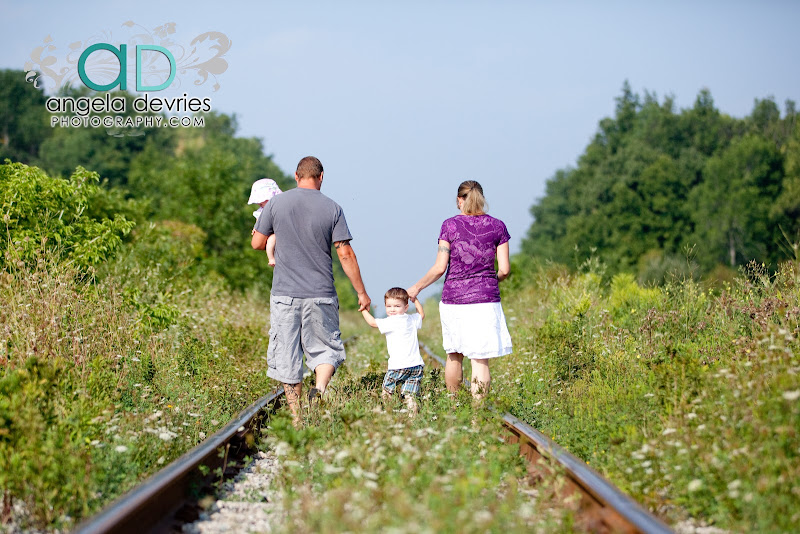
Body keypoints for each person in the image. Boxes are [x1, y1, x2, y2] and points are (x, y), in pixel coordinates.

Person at [251, 157, 371, 425]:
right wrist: (361, 293)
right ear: (321, 176)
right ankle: (320, 390)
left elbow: (257, 243)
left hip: (285, 294)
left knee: (288, 356)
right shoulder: (333, 208)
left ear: (296, 176)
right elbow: (346, 254)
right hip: (321, 293)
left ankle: (296, 417)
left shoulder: (276, 204)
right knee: (327, 350)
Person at [407, 180, 511, 400]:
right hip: (486, 299)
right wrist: (488, 282)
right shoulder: (498, 226)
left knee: (454, 354)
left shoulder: (450, 226)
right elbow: (504, 269)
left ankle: (454, 407)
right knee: (480, 359)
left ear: (459, 200)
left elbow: (439, 268)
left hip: (455, 300)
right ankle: (477, 416)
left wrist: (416, 287)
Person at [361, 287, 425, 416]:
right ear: (385, 306)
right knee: (410, 395)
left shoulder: (391, 321)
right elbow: (421, 315)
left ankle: (389, 413)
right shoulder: (412, 319)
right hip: (416, 366)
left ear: (405, 307)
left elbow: (373, 323)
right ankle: (413, 418)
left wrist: (363, 309)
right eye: (389, 306)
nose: (392, 309)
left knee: (387, 391)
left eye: (397, 306)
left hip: (398, 366)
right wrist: (415, 300)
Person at [248, 178, 282, 267]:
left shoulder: (278, 207)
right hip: (270, 233)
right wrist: (256, 228)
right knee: (271, 240)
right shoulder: (261, 211)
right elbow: (258, 221)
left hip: (278, 232)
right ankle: (271, 258)